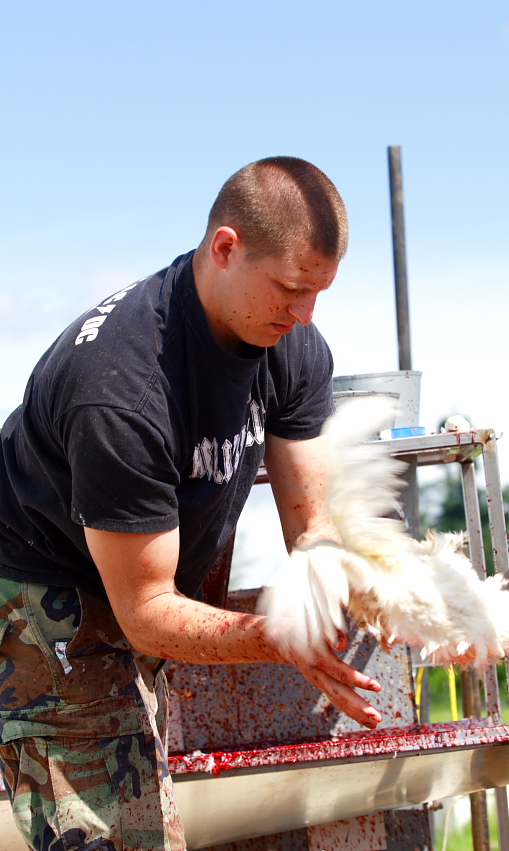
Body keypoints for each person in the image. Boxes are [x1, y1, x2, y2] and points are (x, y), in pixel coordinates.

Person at [0, 157, 383, 851]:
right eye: (292, 289)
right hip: (43, 592)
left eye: (320, 293)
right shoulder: (121, 389)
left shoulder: (291, 348)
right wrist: (276, 637)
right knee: (120, 838)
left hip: (135, 585)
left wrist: (364, 592)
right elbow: (145, 614)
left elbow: (313, 526)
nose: (304, 316)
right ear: (226, 248)